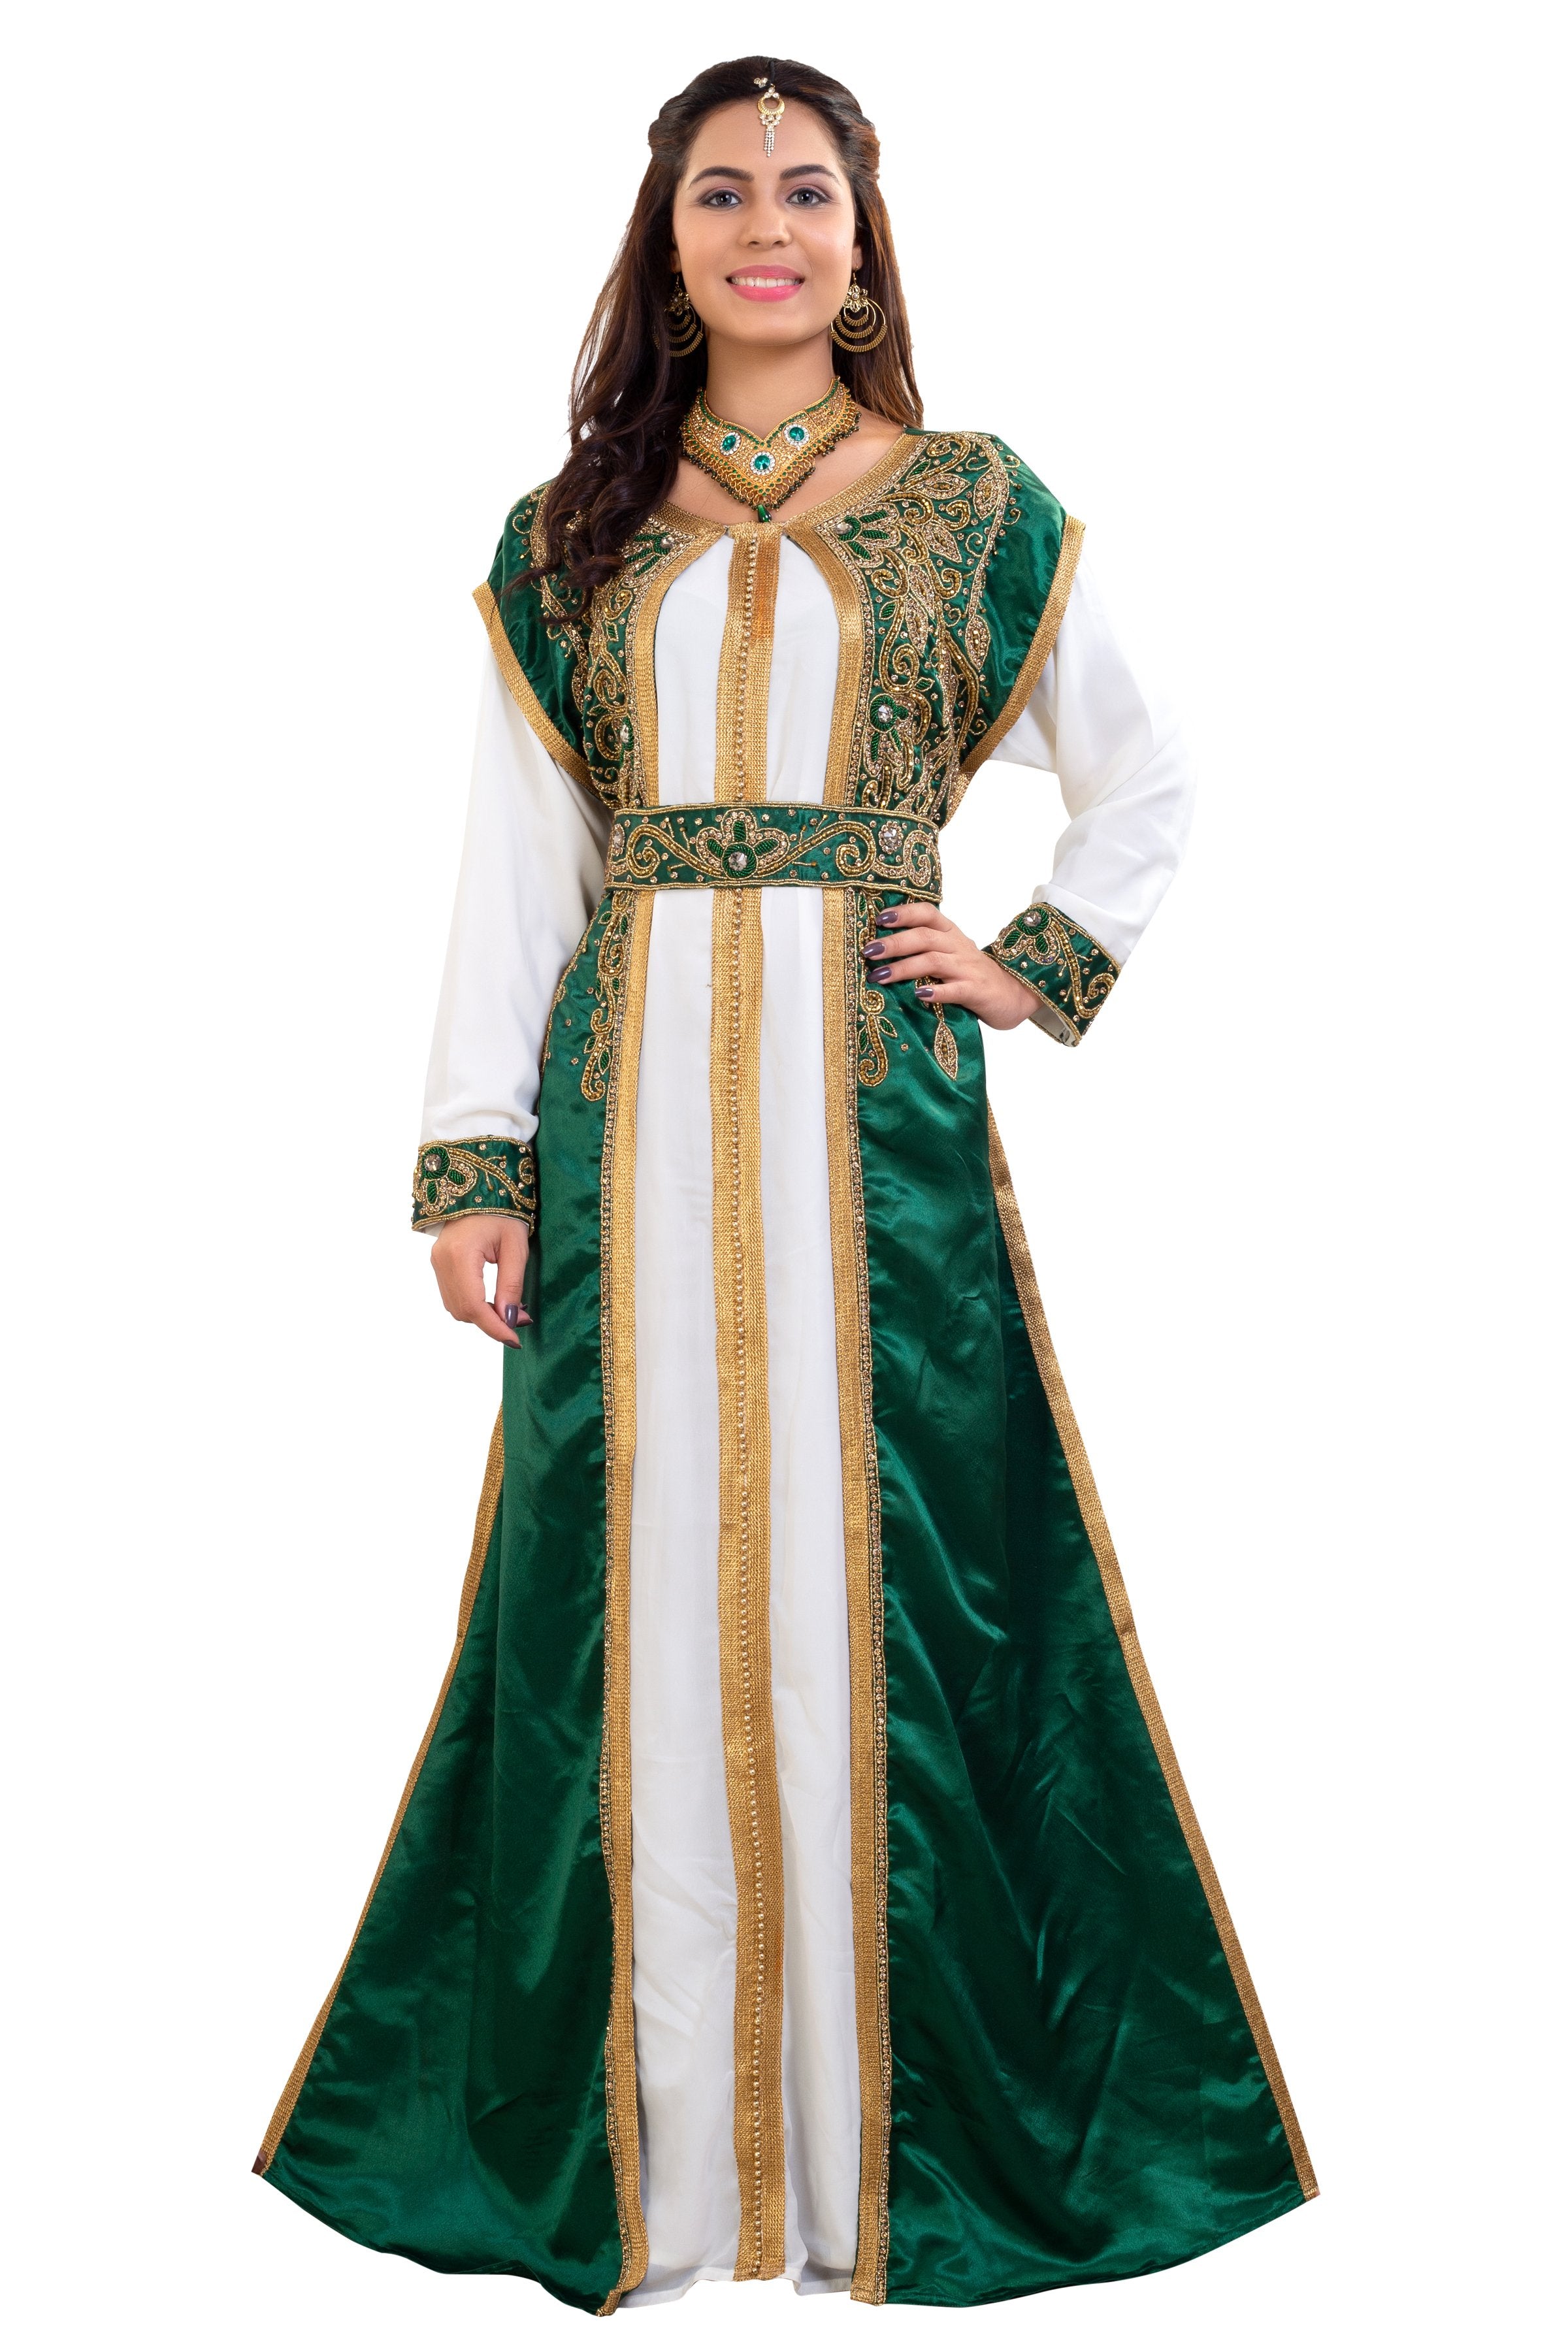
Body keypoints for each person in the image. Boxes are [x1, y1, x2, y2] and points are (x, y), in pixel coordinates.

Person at [254, 55, 1315, 2313]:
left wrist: (1032, 963)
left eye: (807, 192)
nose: (768, 228)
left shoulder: (971, 503)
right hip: (625, 1136)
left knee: (904, 1584)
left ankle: (881, 2167)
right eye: (723, 194)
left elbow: (1149, 776)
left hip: (878, 1143)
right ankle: (661, 2170)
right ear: (667, 244)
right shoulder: (575, 535)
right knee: (624, 1593)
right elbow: (516, 867)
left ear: (862, 237)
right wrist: (474, 1161)